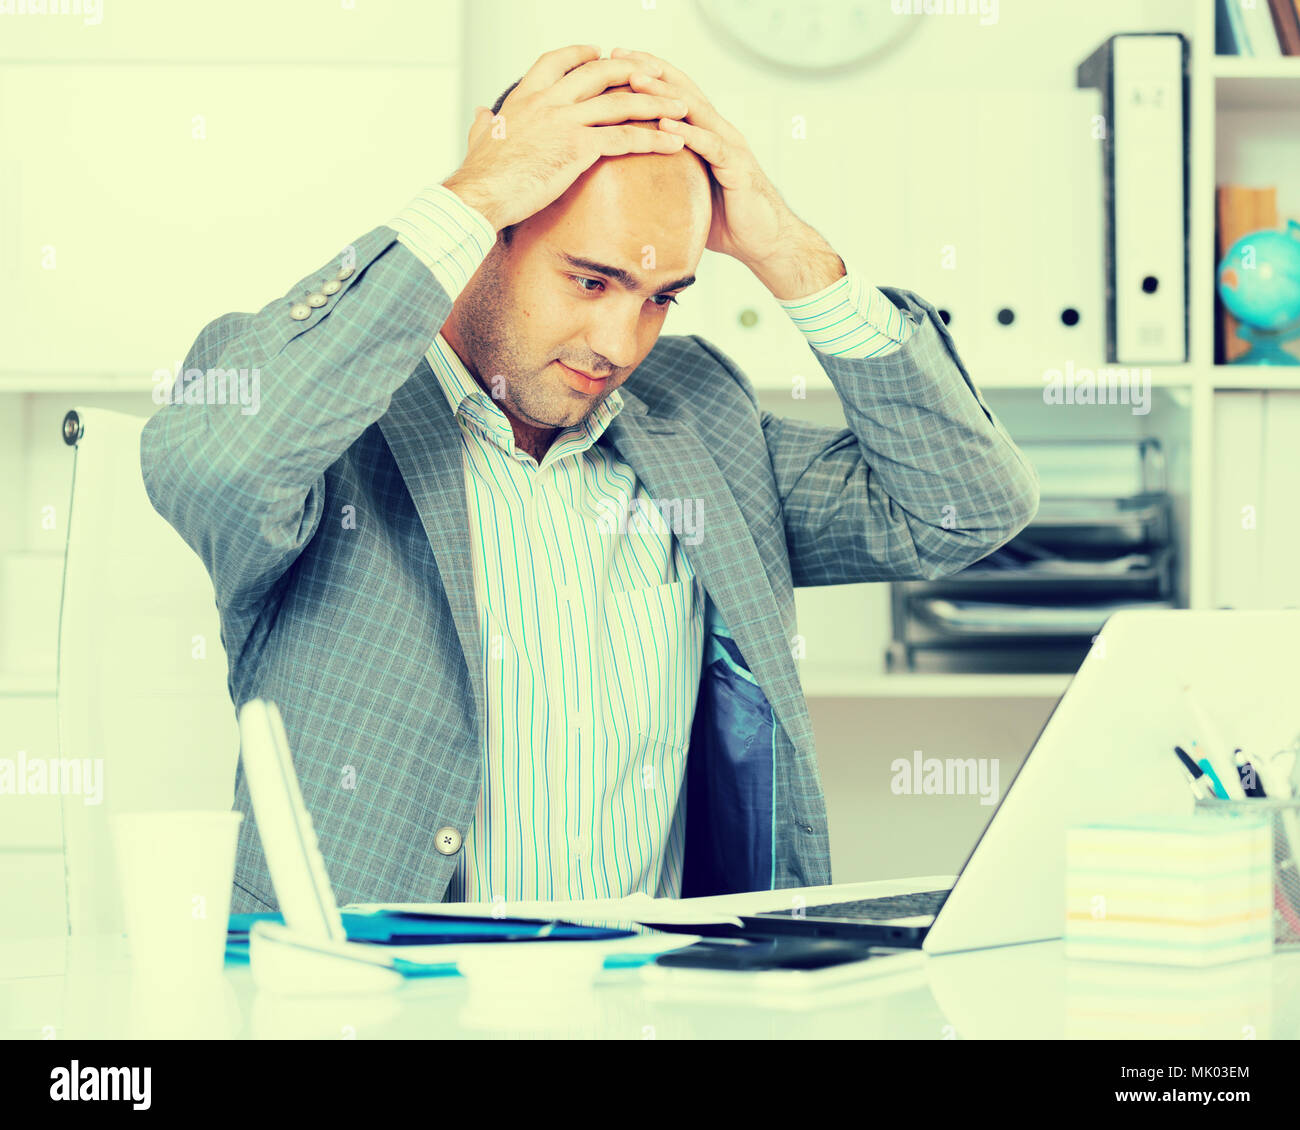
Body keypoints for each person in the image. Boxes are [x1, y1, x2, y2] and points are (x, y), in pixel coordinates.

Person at [141, 45, 1038, 913]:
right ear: (490, 236)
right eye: (589, 280)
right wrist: (472, 191)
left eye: (659, 297)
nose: (618, 346)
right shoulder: (332, 420)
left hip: (650, 1002)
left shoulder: (700, 418)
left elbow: (965, 506)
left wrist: (787, 250)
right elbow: (219, 459)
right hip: (372, 1001)